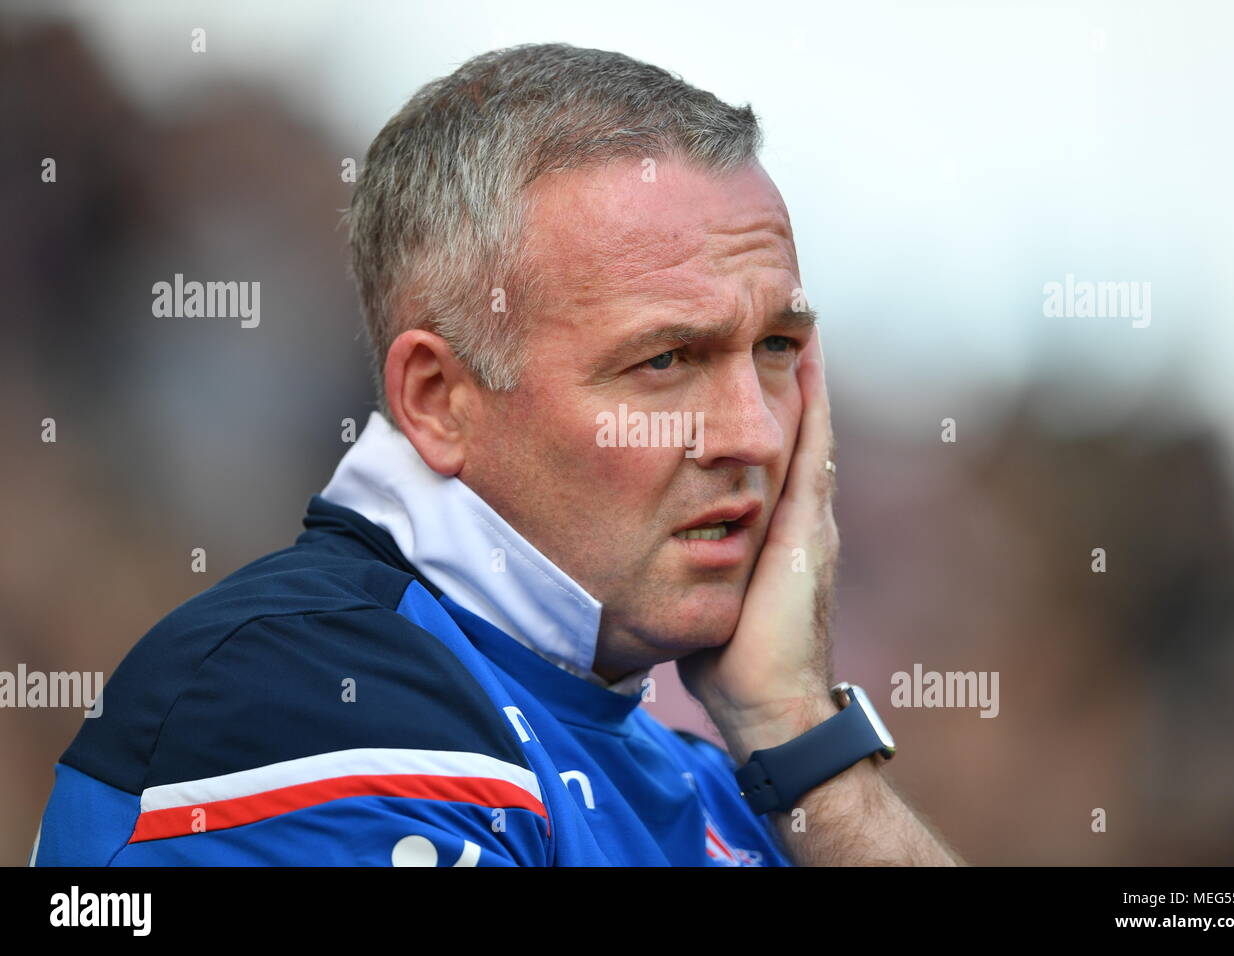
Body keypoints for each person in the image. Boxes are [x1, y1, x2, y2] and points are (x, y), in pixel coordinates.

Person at [31, 42, 962, 866]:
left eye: (775, 351)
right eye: (666, 360)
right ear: (439, 401)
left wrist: (799, 733)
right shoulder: (306, 697)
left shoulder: (740, 781)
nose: (756, 433)